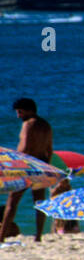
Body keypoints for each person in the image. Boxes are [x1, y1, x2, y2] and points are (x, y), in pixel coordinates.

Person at [2, 98, 54, 241]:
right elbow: (49, 150)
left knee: (12, 203)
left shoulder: (28, 124)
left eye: (20, 112)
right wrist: (46, 168)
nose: (18, 115)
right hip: (41, 166)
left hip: (25, 168)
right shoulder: (46, 125)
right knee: (39, 203)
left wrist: (12, 162)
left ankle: (1, 237)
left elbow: (24, 148)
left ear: (29, 110)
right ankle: (38, 236)